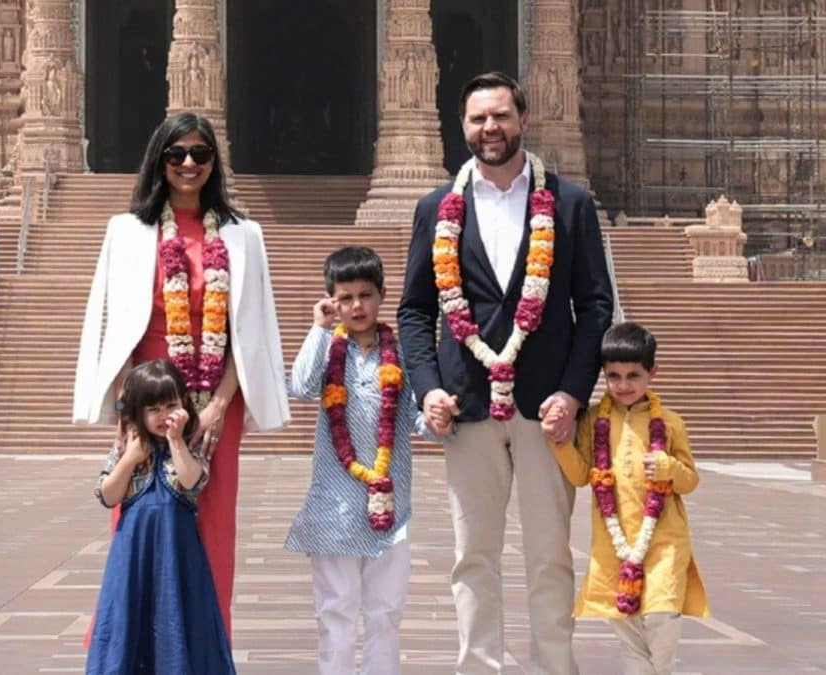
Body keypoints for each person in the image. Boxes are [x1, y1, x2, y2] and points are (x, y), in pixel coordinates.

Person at [397, 71, 614, 674]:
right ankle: (481, 666)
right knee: (473, 554)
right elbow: (415, 310)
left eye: (500, 116)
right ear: (462, 126)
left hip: (547, 408)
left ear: (522, 119)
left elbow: (595, 304)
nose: (489, 128)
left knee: (549, 555)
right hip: (465, 404)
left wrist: (573, 392)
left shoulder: (568, 204)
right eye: (477, 118)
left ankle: (554, 667)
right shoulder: (436, 207)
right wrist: (428, 386)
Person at [74, 111, 291, 639]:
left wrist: (218, 404)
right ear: (160, 160)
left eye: (200, 154)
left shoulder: (244, 235)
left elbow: (251, 329)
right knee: (140, 515)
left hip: (219, 394)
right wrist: (130, 415)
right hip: (149, 397)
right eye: (177, 154)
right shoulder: (127, 231)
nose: (189, 164)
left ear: (216, 163)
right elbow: (115, 324)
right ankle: (132, 642)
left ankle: (207, 644)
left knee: (213, 522)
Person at [285, 246, 435, 675]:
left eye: (365, 295)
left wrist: (440, 420)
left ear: (382, 295)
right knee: (336, 613)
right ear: (331, 299)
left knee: (386, 613)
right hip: (334, 506)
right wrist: (319, 327)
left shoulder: (400, 353)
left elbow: (413, 416)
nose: (356, 306)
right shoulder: (332, 350)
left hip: (391, 505)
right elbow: (300, 385)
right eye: (345, 297)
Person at [544, 322, 708, 675]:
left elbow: (690, 479)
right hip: (612, 545)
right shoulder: (592, 421)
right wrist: (558, 443)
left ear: (653, 373)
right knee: (629, 634)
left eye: (633, 375)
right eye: (613, 376)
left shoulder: (671, 423)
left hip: (664, 542)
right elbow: (581, 474)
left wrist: (668, 468)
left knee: (662, 618)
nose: (623, 385)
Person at [86, 360, 235, 673]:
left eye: (171, 405)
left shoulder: (190, 442)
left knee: (179, 619)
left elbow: (193, 480)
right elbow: (107, 495)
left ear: (184, 404)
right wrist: (129, 459)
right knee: (128, 620)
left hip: (177, 556)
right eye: (153, 408)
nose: (163, 415)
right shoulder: (126, 445)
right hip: (133, 556)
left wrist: (177, 441)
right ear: (137, 411)